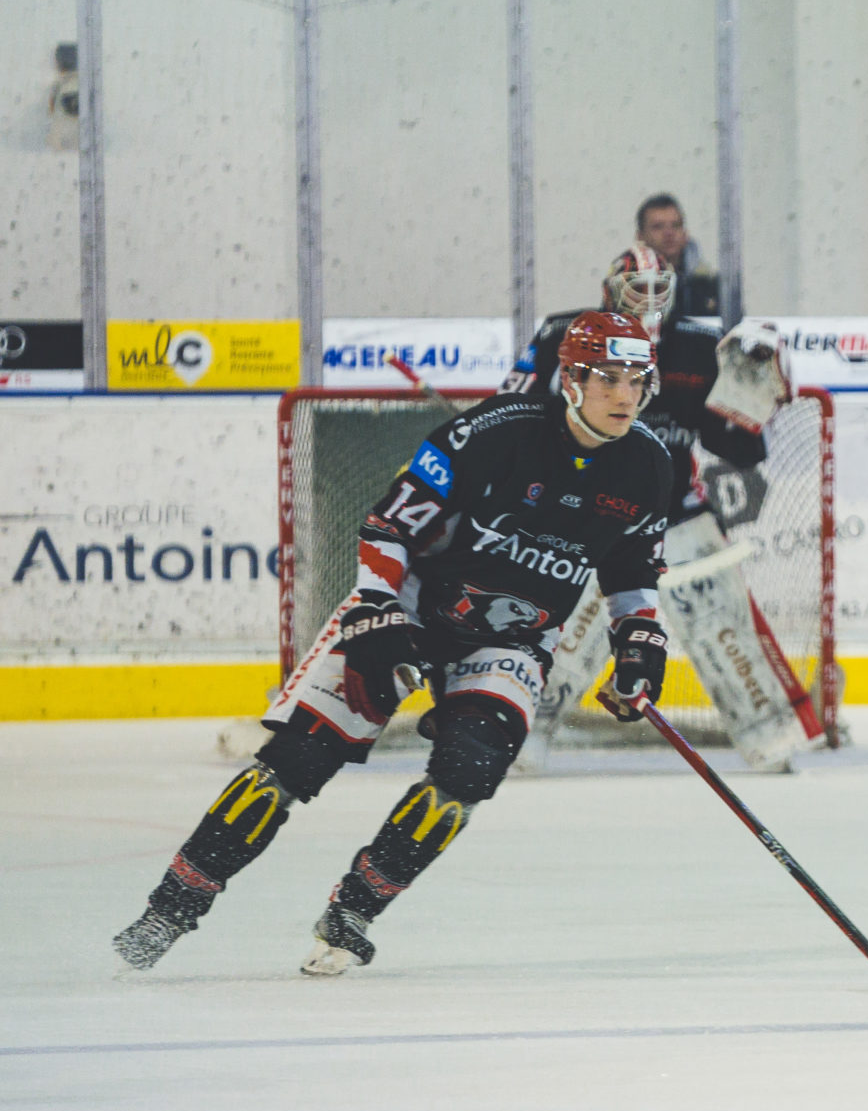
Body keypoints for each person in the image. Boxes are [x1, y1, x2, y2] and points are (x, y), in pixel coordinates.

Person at [112, 311, 674, 975]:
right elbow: (387, 525)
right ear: (572, 379)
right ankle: (172, 906)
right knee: (298, 758)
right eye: (607, 377)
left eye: (636, 380)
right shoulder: (492, 431)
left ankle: (352, 910)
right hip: (408, 607)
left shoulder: (648, 465)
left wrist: (639, 638)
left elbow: (634, 571)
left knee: (469, 770)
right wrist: (377, 606)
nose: (624, 394)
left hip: (514, 635)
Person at [501, 244, 810, 773]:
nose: (647, 300)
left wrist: (754, 399)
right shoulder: (566, 336)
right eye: (634, 288)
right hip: (591, 514)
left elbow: (736, 447)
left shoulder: (699, 345)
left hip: (678, 514)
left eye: (656, 288)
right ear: (608, 291)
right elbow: (514, 409)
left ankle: (769, 736)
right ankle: (521, 735)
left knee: (721, 625)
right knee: (567, 632)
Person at [634, 194, 722, 324]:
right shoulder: (628, 286)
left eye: (675, 225)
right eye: (658, 226)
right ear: (640, 237)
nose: (669, 233)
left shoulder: (710, 286)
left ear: (685, 233)